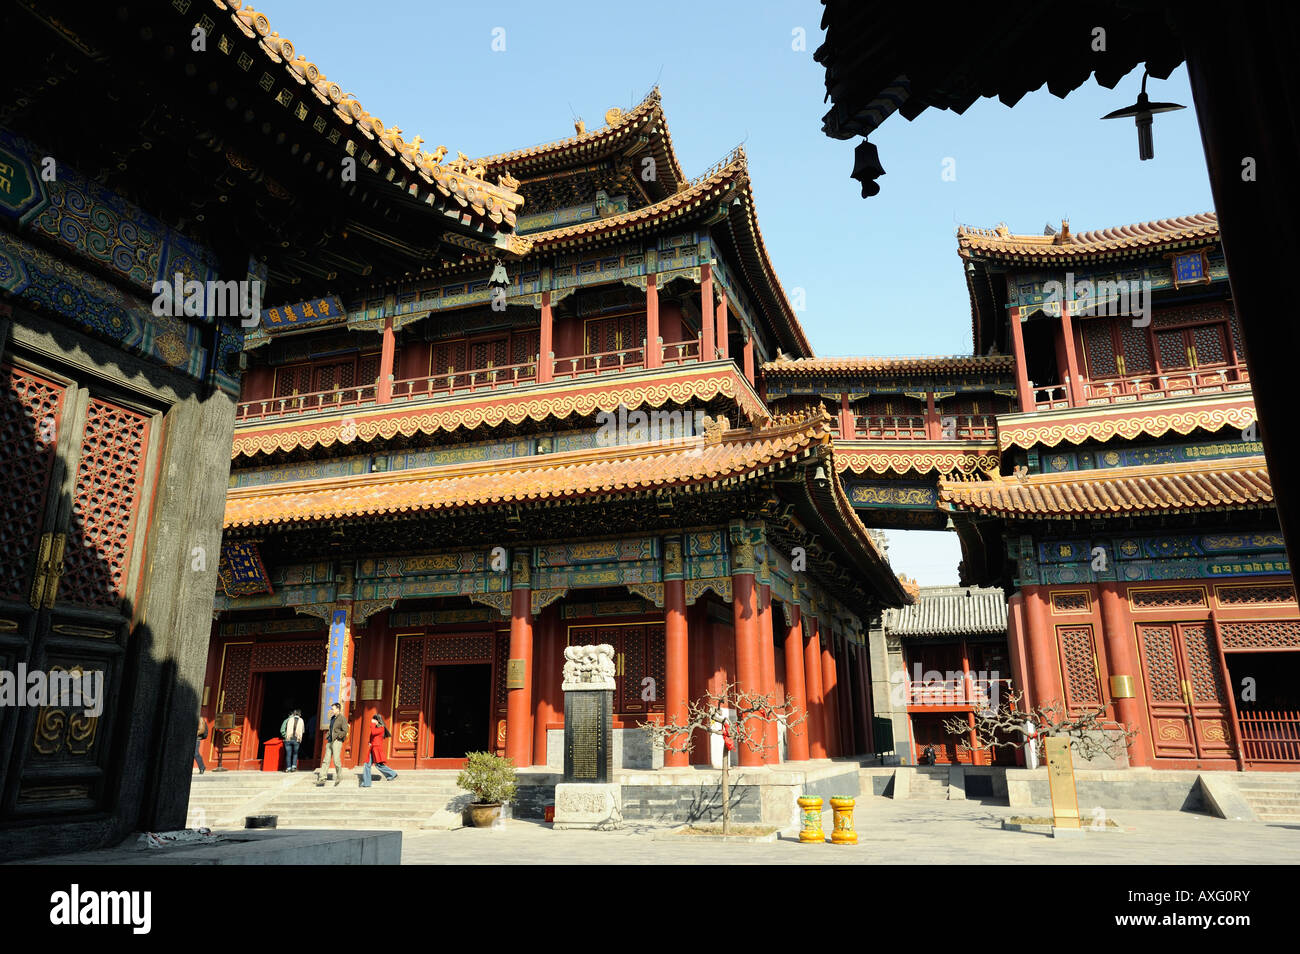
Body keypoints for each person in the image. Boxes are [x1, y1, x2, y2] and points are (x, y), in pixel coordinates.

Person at [315, 702, 348, 786]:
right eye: (331, 709)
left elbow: (345, 731)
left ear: (338, 709)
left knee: (336, 760)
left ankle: (339, 776)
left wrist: (338, 736)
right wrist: (328, 735)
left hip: (337, 741)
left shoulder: (342, 718)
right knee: (326, 760)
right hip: (330, 741)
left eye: (333, 709)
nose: (332, 710)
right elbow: (331, 728)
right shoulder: (332, 718)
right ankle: (322, 778)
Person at [360, 714, 397, 787]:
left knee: (378, 765)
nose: (372, 721)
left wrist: (373, 724)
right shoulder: (376, 728)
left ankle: (392, 774)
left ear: (377, 721)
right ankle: (366, 783)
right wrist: (370, 742)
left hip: (377, 748)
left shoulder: (381, 728)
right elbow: (372, 736)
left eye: (374, 720)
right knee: (367, 764)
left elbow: (373, 732)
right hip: (372, 748)